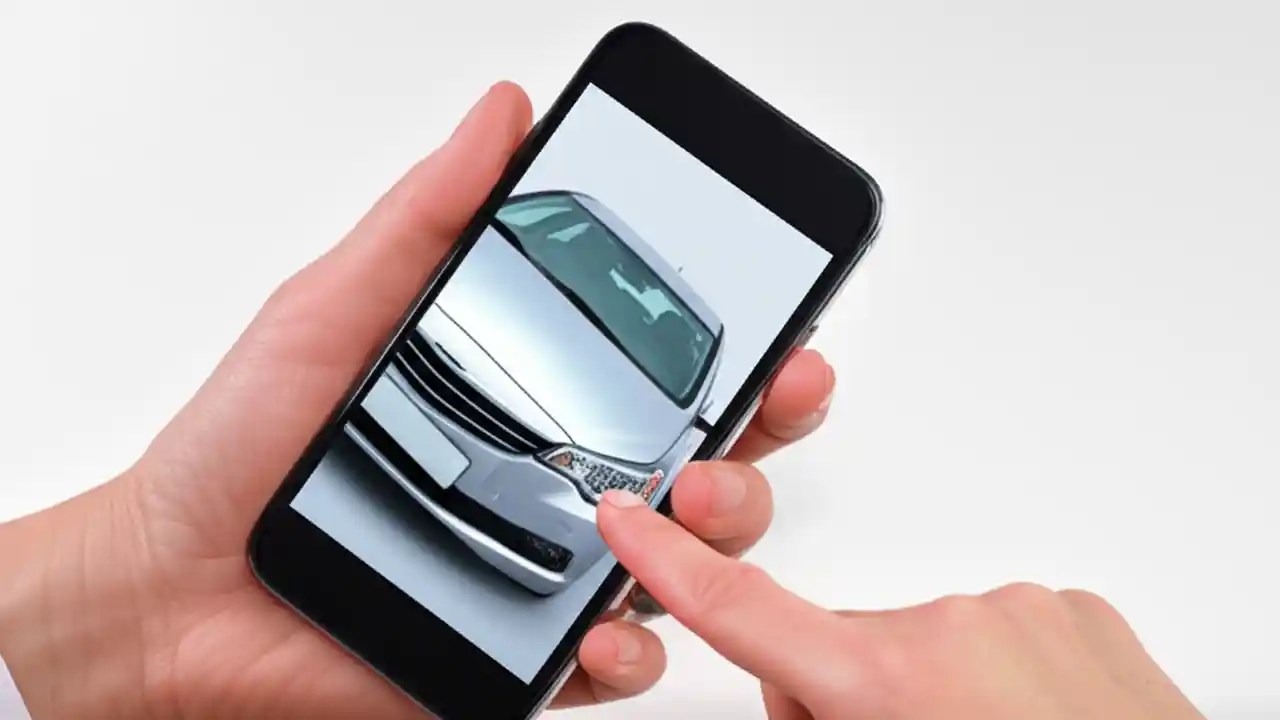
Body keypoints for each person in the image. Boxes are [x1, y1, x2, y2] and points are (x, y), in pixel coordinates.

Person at [0, 83, 1203, 719]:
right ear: (511, 222)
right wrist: (126, 588)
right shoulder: (519, 236)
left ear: (699, 414)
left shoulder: (659, 420)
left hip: (557, 457)